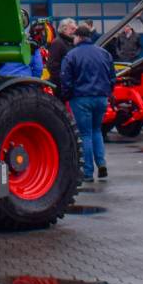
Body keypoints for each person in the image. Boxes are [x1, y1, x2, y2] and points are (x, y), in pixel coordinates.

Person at [60, 25, 114, 181]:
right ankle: (101, 164)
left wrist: (66, 96)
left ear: (78, 37)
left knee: (85, 134)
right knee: (97, 131)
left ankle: (88, 172)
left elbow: (66, 79)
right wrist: (108, 92)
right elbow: (112, 76)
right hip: (101, 98)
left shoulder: (72, 55)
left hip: (81, 98)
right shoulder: (104, 53)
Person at [44, 18, 78, 92]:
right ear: (64, 29)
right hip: (61, 86)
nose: (75, 31)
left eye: (76, 28)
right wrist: (64, 81)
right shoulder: (57, 43)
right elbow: (52, 65)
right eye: (72, 29)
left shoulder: (72, 42)